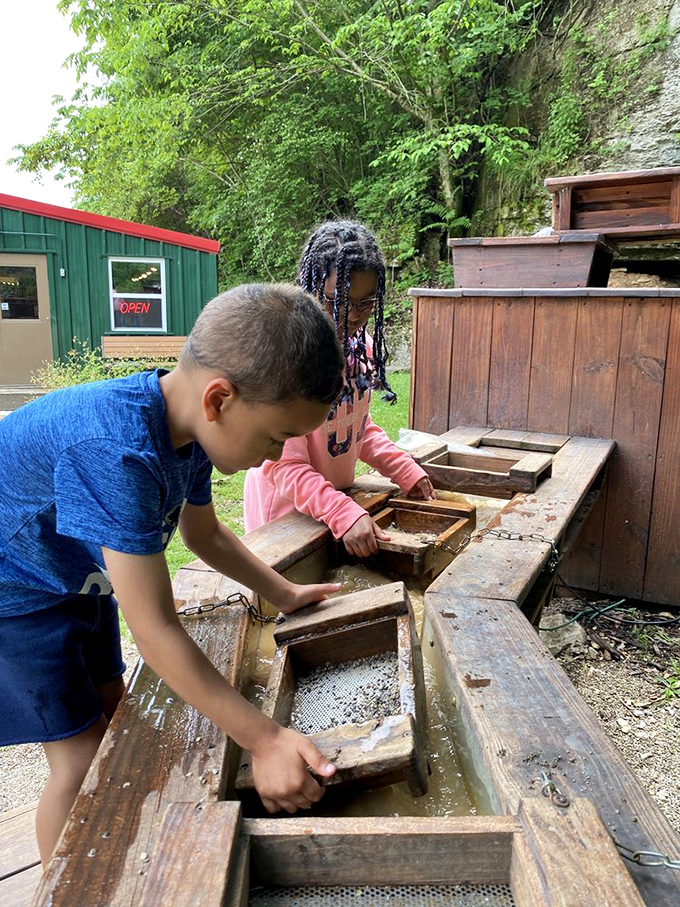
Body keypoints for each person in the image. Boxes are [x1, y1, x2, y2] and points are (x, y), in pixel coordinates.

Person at [0, 283, 346, 866]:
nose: (272, 455)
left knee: (118, 712)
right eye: (276, 437)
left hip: (74, 578)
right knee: (78, 757)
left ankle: (120, 849)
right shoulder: (117, 451)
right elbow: (155, 629)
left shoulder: (185, 432)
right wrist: (263, 738)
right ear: (220, 399)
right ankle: (68, 886)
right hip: (15, 596)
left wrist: (281, 592)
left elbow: (203, 534)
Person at [244, 220, 435, 556]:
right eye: (337, 301)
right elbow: (283, 467)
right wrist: (339, 511)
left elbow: (356, 426)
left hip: (333, 507)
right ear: (311, 289)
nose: (352, 315)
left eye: (365, 303)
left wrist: (404, 469)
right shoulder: (290, 360)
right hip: (285, 518)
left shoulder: (363, 350)